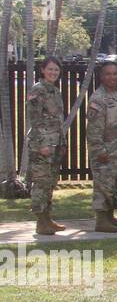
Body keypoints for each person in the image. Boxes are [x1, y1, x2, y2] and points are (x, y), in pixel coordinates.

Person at [87, 62, 117, 232]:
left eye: (115, 74)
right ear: (101, 76)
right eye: (108, 74)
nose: (112, 77)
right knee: (103, 185)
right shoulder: (98, 98)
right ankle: (101, 220)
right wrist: (100, 150)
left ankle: (110, 217)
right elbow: (93, 129)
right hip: (105, 151)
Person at [27, 57, 66, 236]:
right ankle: (41, 221)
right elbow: (35, 120)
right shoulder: (38, 90)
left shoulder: (55, 91)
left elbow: (57, 120)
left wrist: (61, 142)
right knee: (41, 183)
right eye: (50, 69)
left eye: (56, 70)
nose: (53, 73)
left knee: (50, 183)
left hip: (55, 143)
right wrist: (42, 144)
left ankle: (48, 218)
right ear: (42, 70)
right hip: (42, 145)